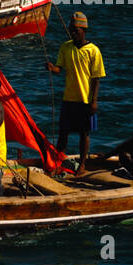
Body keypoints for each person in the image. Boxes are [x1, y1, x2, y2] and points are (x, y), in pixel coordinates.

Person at [45, 12, 105, 176]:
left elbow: (96, 79)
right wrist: (52, 68)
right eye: (71, 29)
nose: (73, 32)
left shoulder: (93, 51)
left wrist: (94, 101)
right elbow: (59, 68)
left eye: (76, 30)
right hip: (68, 98)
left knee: (84, 133)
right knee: (63, 132)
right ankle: (58, 163)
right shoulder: (65, 47)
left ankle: (82, 164)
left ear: (83, 30)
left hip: (85, 99)